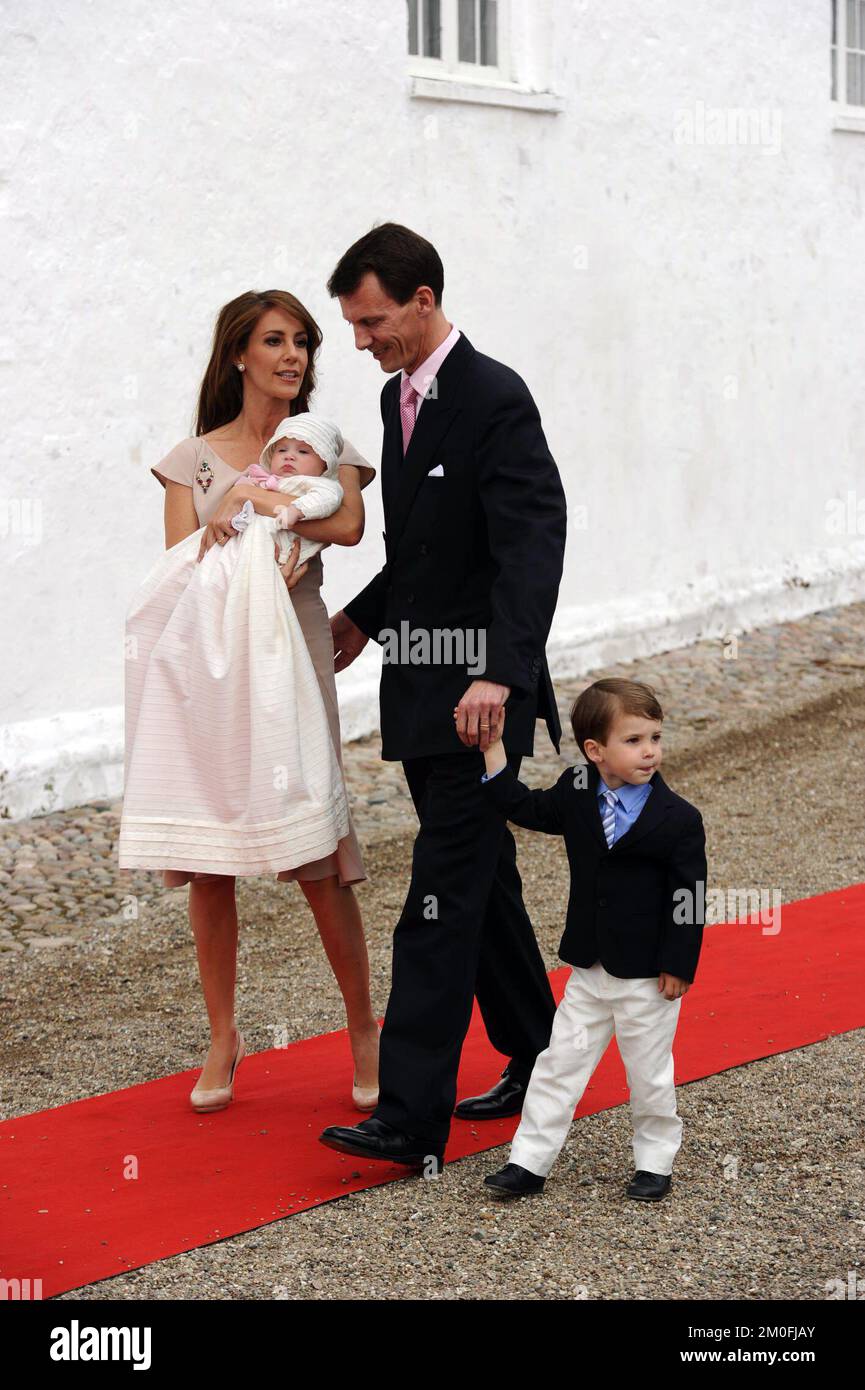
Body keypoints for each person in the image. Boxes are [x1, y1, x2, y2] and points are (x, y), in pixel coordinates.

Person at [318, 223, 566, 1174]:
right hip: (422, 684)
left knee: (436, 894)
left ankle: (408, 1117)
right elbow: (423, 545)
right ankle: (543, 1051)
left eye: (372, 320)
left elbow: (530, 542)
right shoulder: (396, 397)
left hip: (478, 696)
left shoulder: (496, 397)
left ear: (423, 300)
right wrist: (365, 618)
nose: (361, 340)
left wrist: (499, 673)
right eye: (353, 322)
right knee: (481, 882)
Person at [118, 290, 380, 1115]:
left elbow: (346, 528)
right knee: (206, 857)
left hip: (293, 650)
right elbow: (179, 563)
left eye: (302, 341)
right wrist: (239, 513)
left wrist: (260, 505)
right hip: (210, 659)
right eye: (274, 341)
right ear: (239, 353)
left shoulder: (321, 442)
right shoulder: (191, 460)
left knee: (317, 854)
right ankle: (222, 1033)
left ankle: (363, 1026)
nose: (293, 355)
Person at [481, 678, 708, 1202]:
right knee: (558, 1064)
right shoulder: (576, 790)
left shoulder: (679, 820)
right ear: (595, 750)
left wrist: (679, 962)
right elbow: (525, 806)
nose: (649, 750)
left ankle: (654, 1162)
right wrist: (493, 749)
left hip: (650, 977)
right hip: (588, 969)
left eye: (655, 736)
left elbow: (689, 897)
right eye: (633, 740)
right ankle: (529, 1162)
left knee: (649, 1075)